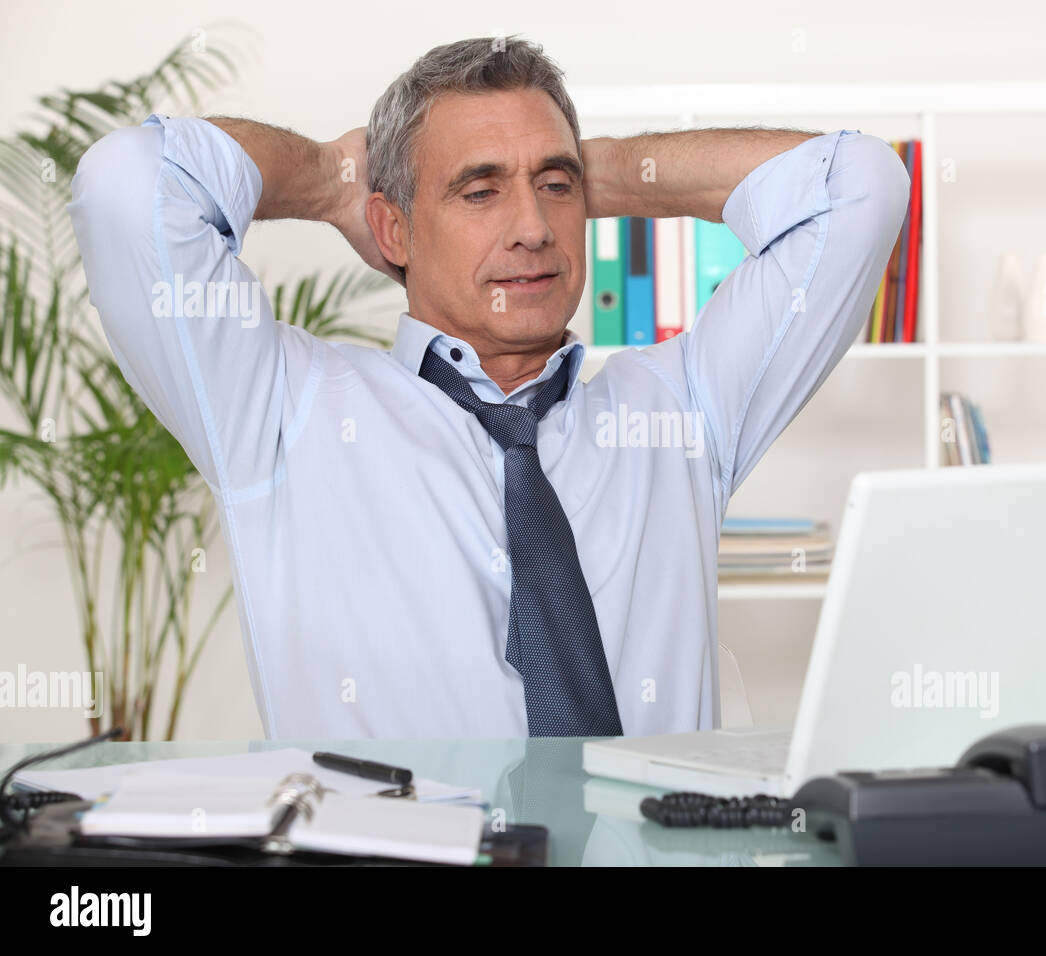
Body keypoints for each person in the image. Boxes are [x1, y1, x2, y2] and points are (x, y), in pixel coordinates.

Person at [67, 35, 910, 739]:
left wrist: (601, 173)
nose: (535, 228)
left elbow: (861, 187)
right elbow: (127, 186)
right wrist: (331, 179)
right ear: (392, 225)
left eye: (553, 187)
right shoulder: (281, 409)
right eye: (480, 190)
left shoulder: (682, 409)